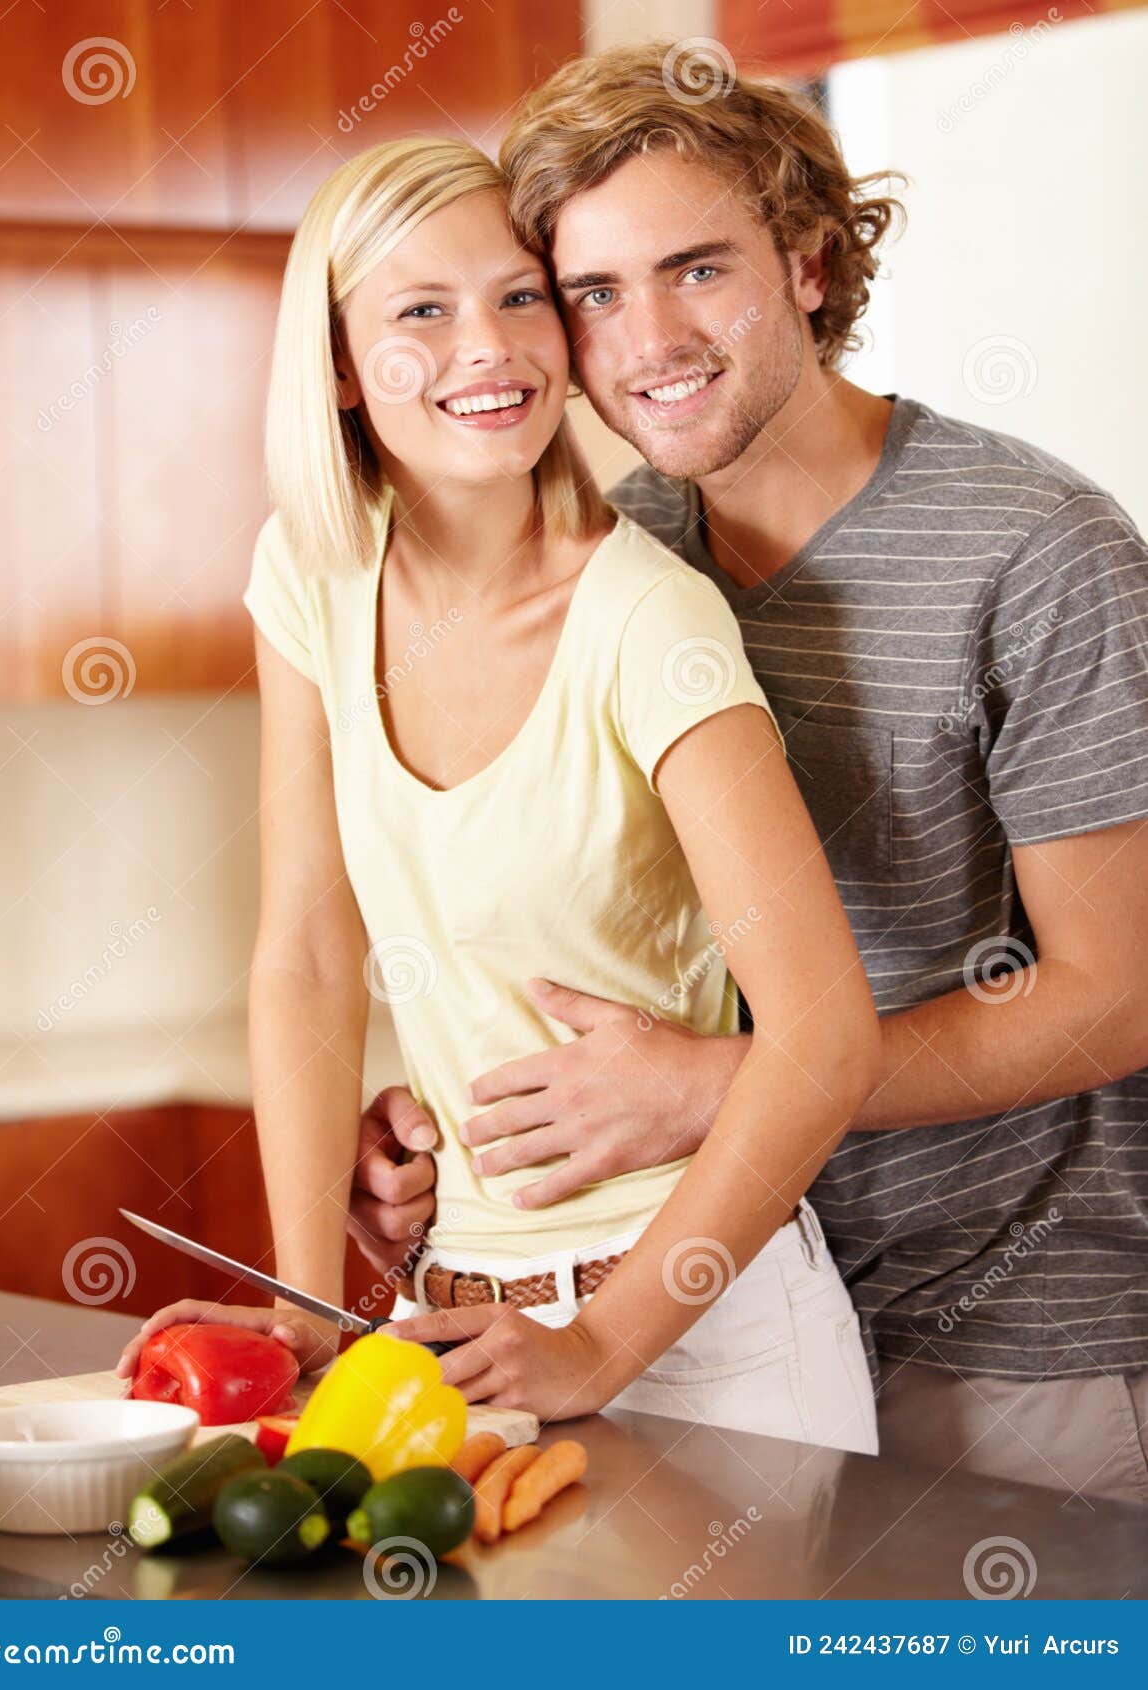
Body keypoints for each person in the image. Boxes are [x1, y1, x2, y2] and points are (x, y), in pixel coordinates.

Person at [349, 45, 1148, 1504]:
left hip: (1011, 1347)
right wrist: (448, 1123)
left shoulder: (1036, 551)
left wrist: (717, 1086)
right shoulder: (616, 565)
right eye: (589, 293)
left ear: (810, 263)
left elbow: (1116, 991)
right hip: (720, 1313)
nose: (645, 337)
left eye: (696, 268)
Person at [114, 135, 882, 1452]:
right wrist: (306, 1299)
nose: (492, 345)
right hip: (458, 1329)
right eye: (424, 310)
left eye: (519, 295)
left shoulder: (649, 618)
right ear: (344, 370)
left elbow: (823, 1033)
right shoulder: (311, 574)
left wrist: (600, 1342)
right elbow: (307, 948)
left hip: (707, 1335)